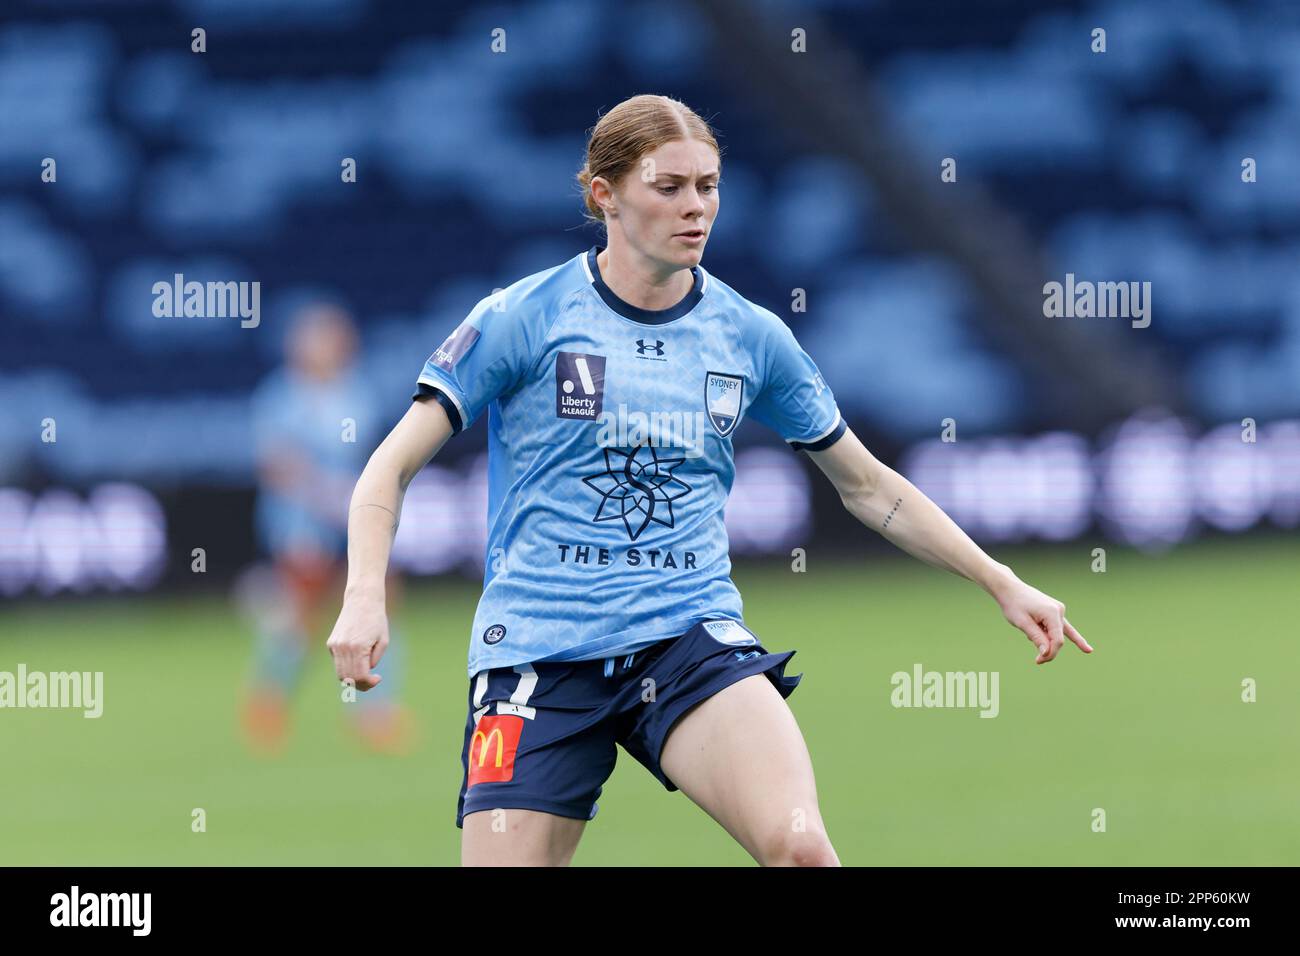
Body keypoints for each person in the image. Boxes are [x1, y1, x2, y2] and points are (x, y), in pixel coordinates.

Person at [326, 94, 1090, 866]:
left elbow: (866, 485)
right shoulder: (521, 318)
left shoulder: (750, 336)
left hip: (686, 641)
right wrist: (362, 597)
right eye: (669, 187)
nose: (696, 208)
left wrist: (1000, 580)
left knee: (802, 851)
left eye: (709, 185)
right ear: (605, 195)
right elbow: (388, 467)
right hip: (539, 654)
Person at [240, 300, 413, 755]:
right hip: (300, 524)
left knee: (380, 602)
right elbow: (275, 464)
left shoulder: (356, 392)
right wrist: (320, 491)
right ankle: (268, 699)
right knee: (303, 618)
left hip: (351, 520)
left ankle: (375, 709)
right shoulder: (281, 397)